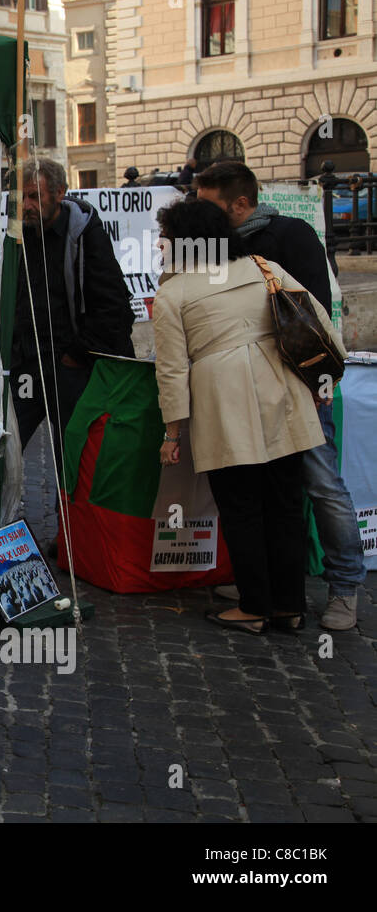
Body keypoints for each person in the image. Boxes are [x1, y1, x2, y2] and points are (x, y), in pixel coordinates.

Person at [152, 199, 344, 636]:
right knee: (284, 504)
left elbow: (172, 369)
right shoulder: (263, 267)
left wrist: (172, 431)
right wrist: (323, 384)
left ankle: (254, 605)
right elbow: (318, 321)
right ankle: (288, 607)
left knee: (241, 507)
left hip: (223, 398)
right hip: (282, 392)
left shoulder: (173, 293)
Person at [196, 160, 365, 631]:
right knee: (265, 491)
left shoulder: (292, 236)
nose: (203, 216)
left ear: (241, 203)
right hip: (251, 392)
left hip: (297, 389)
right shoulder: (218, 247)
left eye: (211, 206)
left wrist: (318, 385)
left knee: (321, 484)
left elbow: (314, 317)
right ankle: (264, 587)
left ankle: (345, 588)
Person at [13, 157, 135, 462]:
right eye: (21, 197)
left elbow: (113, 305)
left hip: (69, 365)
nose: (26, 205)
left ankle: (65, 509)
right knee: (8, 444)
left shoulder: (84, 234)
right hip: (28, 363)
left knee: (72, 452)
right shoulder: (19, 235)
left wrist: (77, 355)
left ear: (59, 193)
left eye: (34, 196)